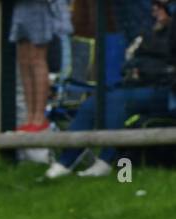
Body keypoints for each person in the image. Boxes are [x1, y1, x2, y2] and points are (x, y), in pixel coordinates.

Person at [47, 0, 176, 177]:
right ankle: (64, 162)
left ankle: (107, 160)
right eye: (153, 7)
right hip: (141, 84)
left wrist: (145, 70)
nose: (155, 12)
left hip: (166, 90)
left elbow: (165, 62)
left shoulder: (169, 34)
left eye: (160, 8)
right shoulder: (150, 32)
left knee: (117, 102)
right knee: (94, 103)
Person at [9, 0, 72, 132]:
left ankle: (39, 118)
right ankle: (30, 117)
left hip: (41, 7)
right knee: (24, 61)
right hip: (19, 7)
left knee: (36, 58)